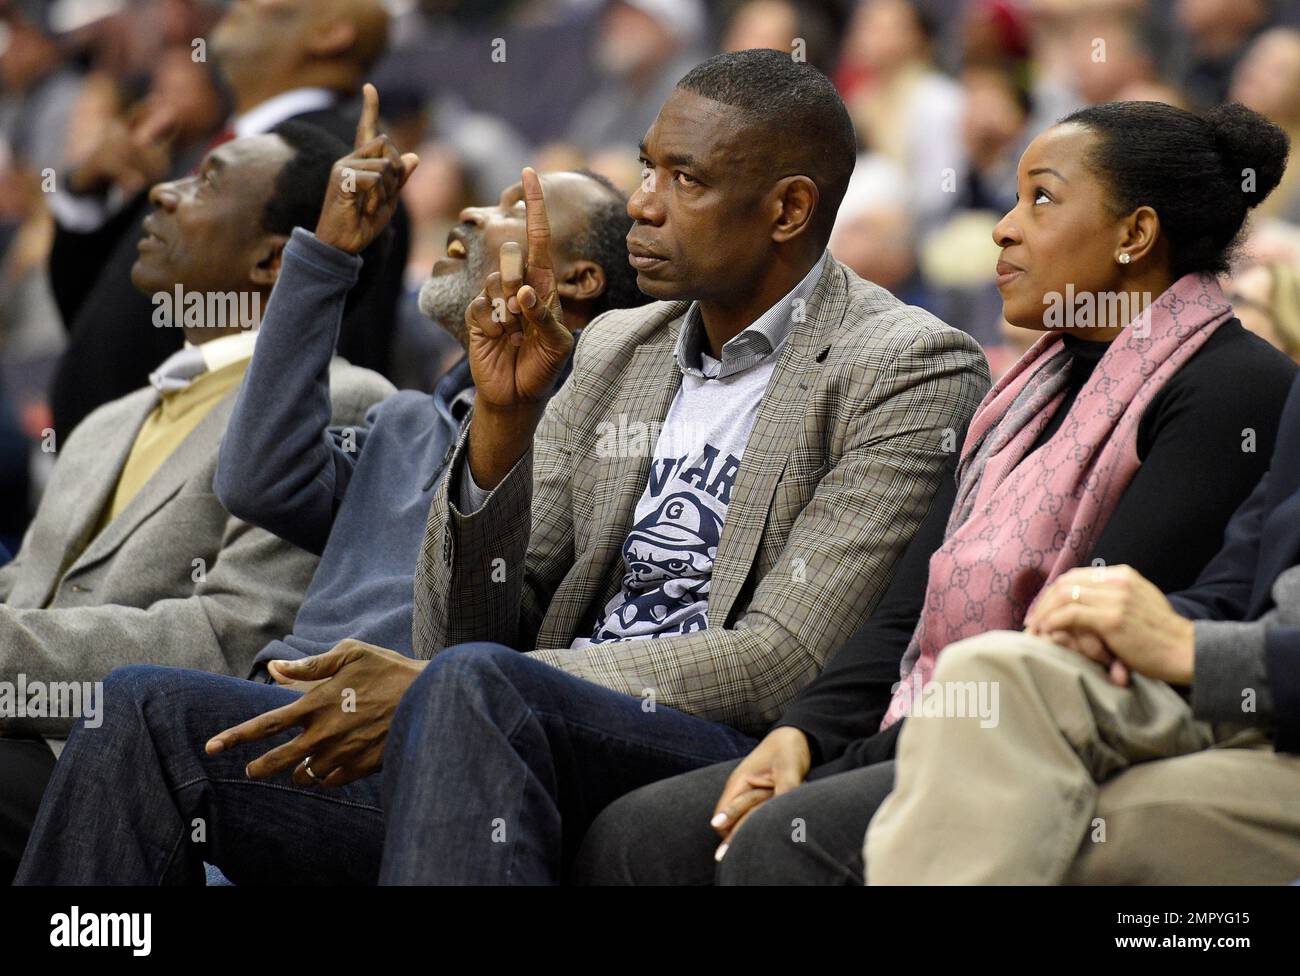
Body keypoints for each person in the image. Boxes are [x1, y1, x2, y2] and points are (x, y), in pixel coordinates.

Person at [13, 50, 990, 886]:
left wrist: (463, 682)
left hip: (703, 745)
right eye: (647, 167)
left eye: (684, 181)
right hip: (499, 720)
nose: (642, 205)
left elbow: (781, 656)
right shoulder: (619, 349)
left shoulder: (903, 364)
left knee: (474, 685)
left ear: (787, 209)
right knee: (143, 709)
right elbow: (474, 620)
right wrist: (502, 431)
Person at [575, 99, 1298, 885]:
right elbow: (906, 606)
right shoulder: (1026, 388)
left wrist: (855, 761)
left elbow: (1083, 640)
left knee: (785, 841)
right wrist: (805, 737)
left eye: (1042, 199)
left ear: (1135, 235)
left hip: (1050, 741)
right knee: (635, 836)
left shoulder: (1234, 385)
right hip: (924, 725)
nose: (1004, 227)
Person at [0, 121, 394, 884]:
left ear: (274, 259)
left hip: (111, 778)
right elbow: (25, 589)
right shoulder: (112, 418)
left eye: (207, 180)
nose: (163, 191)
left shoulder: (342, 403)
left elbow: (233, 645)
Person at [215, 85, 647, 682]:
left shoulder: (600, 441)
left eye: (518, 209)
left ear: (578, 278)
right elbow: (258, 482)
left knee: (133, 698)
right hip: (277, 694)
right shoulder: (404, 420)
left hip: (407, 724)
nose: (472, 213)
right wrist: (328, 253)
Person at [47, 0, 403, 437]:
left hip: (196, 484)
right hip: (107, 467)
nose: (241, 3)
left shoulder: (347, 174)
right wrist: (88, 193)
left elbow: (325, 382)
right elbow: (100, 312)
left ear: (332, 33)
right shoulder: (218, 147)